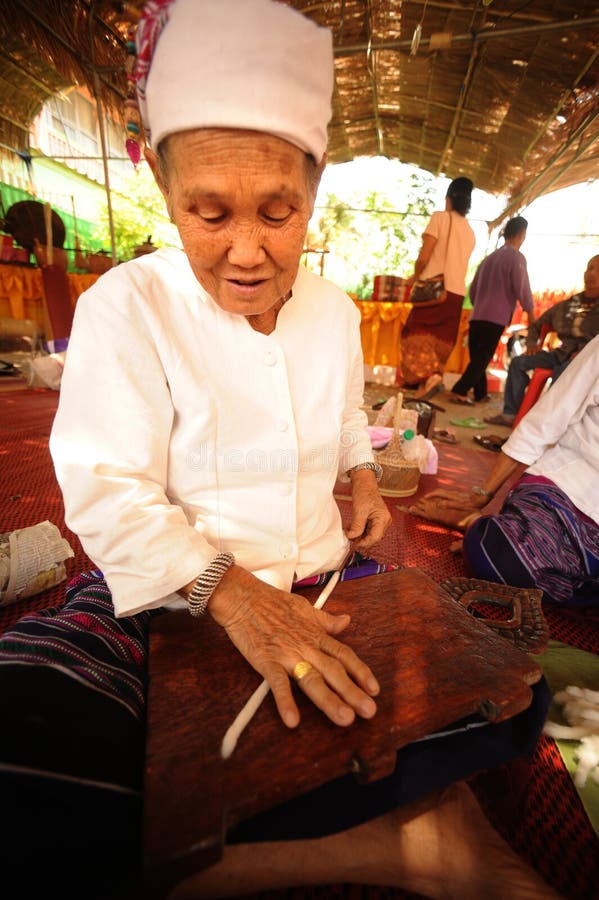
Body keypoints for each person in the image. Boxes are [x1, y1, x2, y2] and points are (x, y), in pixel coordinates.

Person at [0, 3, 558, 898]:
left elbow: (342, 415)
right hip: (166, 594)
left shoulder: (333, 312)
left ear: (316, 186)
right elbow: (107, 488)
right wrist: (229, 596)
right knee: (24, 736)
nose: (248, 252)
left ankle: (198, 831)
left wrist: (363, 471)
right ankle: (388, 843)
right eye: (207, 213)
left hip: (324, 585)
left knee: (502, 693)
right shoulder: (127, 305)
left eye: (277, 211)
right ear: (162, 187)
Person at [409, 334, 599, 606]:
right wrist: (482, 494)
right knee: (502, 556)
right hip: (570, 491)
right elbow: (545, 422)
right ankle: (477, 523)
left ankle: (484, 527)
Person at [485, 254, 599, 426]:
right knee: (518, 363)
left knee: (564, 373)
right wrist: (532, 344)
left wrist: (584, 354)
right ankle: (511, 414)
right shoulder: (568, 304)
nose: (592, 273)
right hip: (561, 353)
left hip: (586, 360)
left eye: (597, 270)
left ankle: (548, 424)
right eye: (590, 268)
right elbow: (537, 325)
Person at [400, 177, 476, 400]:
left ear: (449, 199)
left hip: (435, 291)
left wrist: (414, 276)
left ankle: (432, 377)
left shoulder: (440, 218)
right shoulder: (470, 231)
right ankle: (428, 385)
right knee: (439, 341)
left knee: (413, 335)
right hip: (456, 295)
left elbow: (424, 257)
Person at [448, 216, 535, 405]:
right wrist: (531, 312)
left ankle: (481, 393)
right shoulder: (516, 258)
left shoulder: (489, 259)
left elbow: (473, 289)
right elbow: (522, 288)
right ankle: (459, 390)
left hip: (477, 314)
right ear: (521, 234)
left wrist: (479, 304)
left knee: (478, 357)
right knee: (482, 358)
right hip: (495, 317)